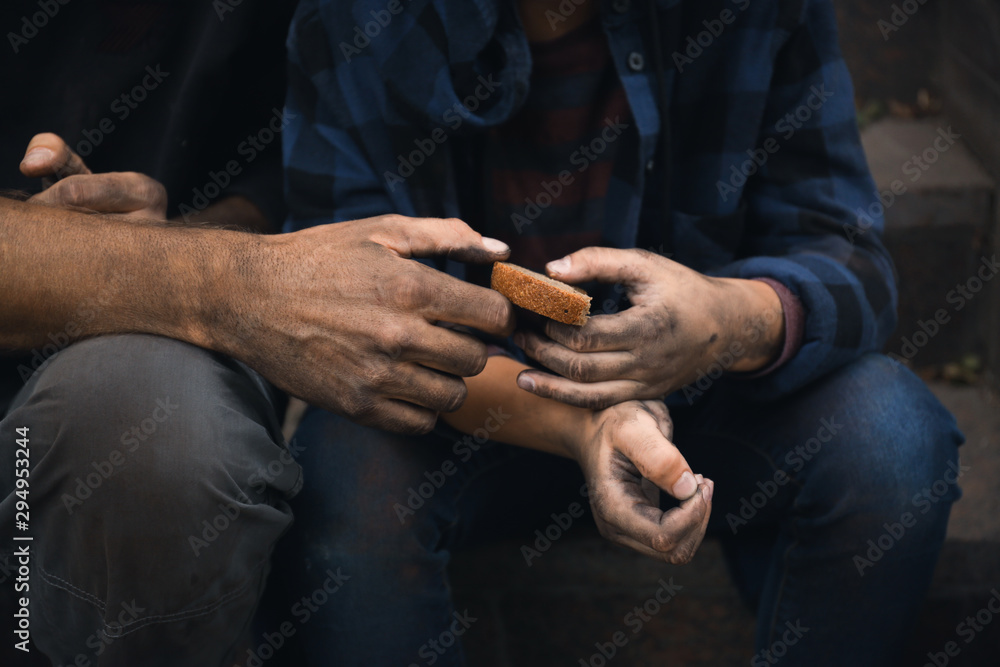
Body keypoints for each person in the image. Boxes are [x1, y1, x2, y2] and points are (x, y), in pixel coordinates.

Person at [278, 0, 965, 664]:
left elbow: (850, 258)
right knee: (343, 471)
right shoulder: (355, 17)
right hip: (468, 412)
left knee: (894, 434)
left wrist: (722, 319)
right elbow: (357, 317)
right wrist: (586, 425)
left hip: (700, 401)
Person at [0, 2, 513, 663]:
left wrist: (158, 254)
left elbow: (282, 170)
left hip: (158, 343)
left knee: (160, 441)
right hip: (205, 292)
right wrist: (210, 279)